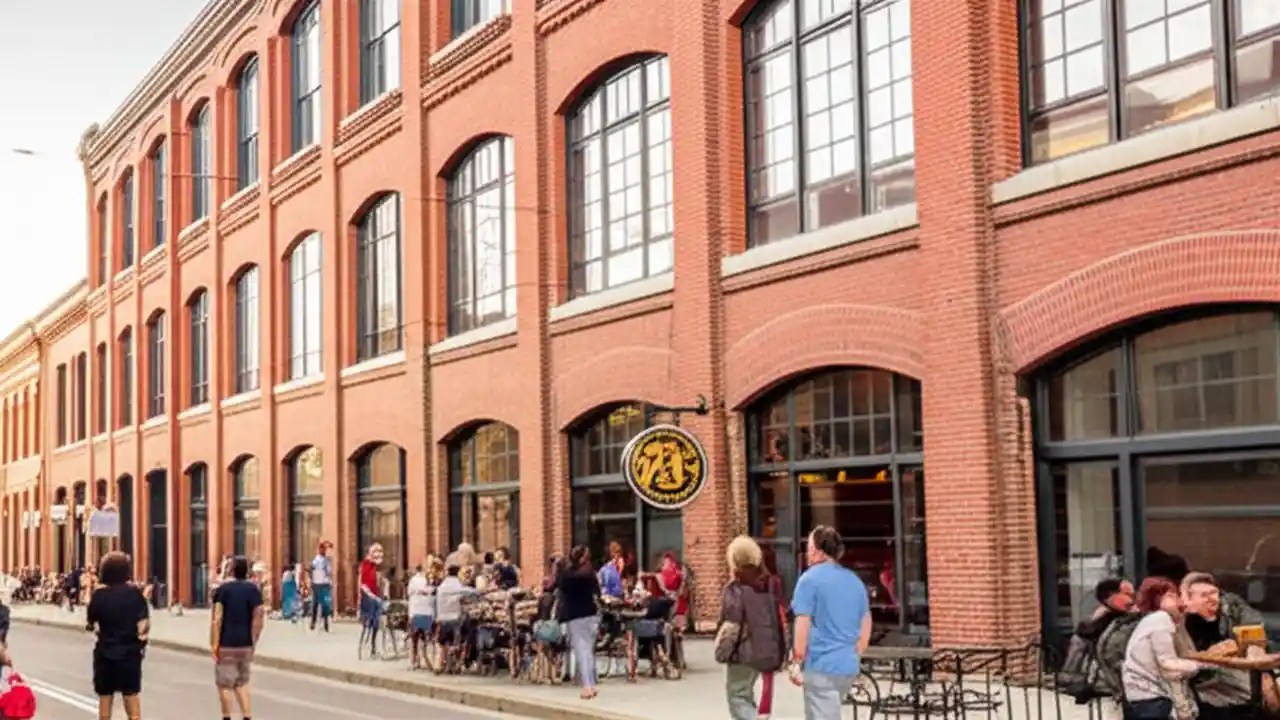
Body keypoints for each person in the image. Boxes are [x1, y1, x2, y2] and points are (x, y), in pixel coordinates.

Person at [790, 525, 871, 720]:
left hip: (821, 664)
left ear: (816, 550)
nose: (807, 552)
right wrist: (856, 652)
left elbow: (803, 621)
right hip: (847, 664)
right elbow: (866, 622)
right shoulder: (855, 581)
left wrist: (797, 660)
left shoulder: (808, 581)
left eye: (809, 547)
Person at [718, 536, 786, 720]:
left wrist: (722, 651)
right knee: (746, 696)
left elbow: (732, 626)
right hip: (767, 649)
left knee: (738, 696)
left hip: (743, 652)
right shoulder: (770, 583)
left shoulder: (735, 589)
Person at [1121, 576, 1203, 720]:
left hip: (1141, 698)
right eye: (1172, 595)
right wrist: (1200, 666)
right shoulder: (1160, 620)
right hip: (1153, 698)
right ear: (1158, 598)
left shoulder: (1151, 622)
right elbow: (1168, 664)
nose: (1180, 601)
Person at [86, 552, 149, 720]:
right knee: (131, 696)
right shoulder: (135, 594)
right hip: (129, 653)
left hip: (105, 653)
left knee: (105, 698)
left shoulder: (98, 595)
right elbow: (143, 626)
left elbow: (92, 624)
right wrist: (142, 644)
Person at [210, 556, 264, 720]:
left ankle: (227, 716)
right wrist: (254, 639)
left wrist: (214, 644)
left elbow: (217, 618)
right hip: (245, 643)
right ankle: (247, 716)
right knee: (242, 682)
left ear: (231, 569)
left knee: (225, 684)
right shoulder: (253, 590)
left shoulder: (222, 591)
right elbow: (259, 615)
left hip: (226, 644)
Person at [560, 545, 602, 700]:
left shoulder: (566, 575)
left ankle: (587, 686)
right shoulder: (589, 573)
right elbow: (598, 593)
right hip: (590, 614)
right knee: (589, 651)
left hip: (574, 616)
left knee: (581, 652)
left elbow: (561, 591)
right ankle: (591, 683)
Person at [406, 562, 437, 670]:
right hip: (427, 613)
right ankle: (426, 659)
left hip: (415, 612)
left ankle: (414, 660)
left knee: (415, 638)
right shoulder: (430, 580)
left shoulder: (413, 581)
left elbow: (409, 594)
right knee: (426, 637)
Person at [359, 543, 385, 659]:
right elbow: (363, 584)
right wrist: (372, 596)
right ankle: (368, 645)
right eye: (376, 551)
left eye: (380, 551)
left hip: (375, 598)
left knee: (375, 624)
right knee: (369, 623)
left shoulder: (375, 567)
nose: (379, 554)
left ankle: (373, 646)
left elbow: (378, 583)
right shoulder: (366, 565)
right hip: (369, 598)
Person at [309, 541, 333, 632]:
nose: (322, 550)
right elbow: (311, 568)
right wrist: (312, 580)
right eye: (321, 548)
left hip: (325, 585)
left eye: (324, 549)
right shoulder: (317, 559)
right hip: (317, 585)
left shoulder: (327, 560)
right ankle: (313, 622)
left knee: (326, 604)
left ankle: (326, 623)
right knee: (315, 603)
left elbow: (329, 572)